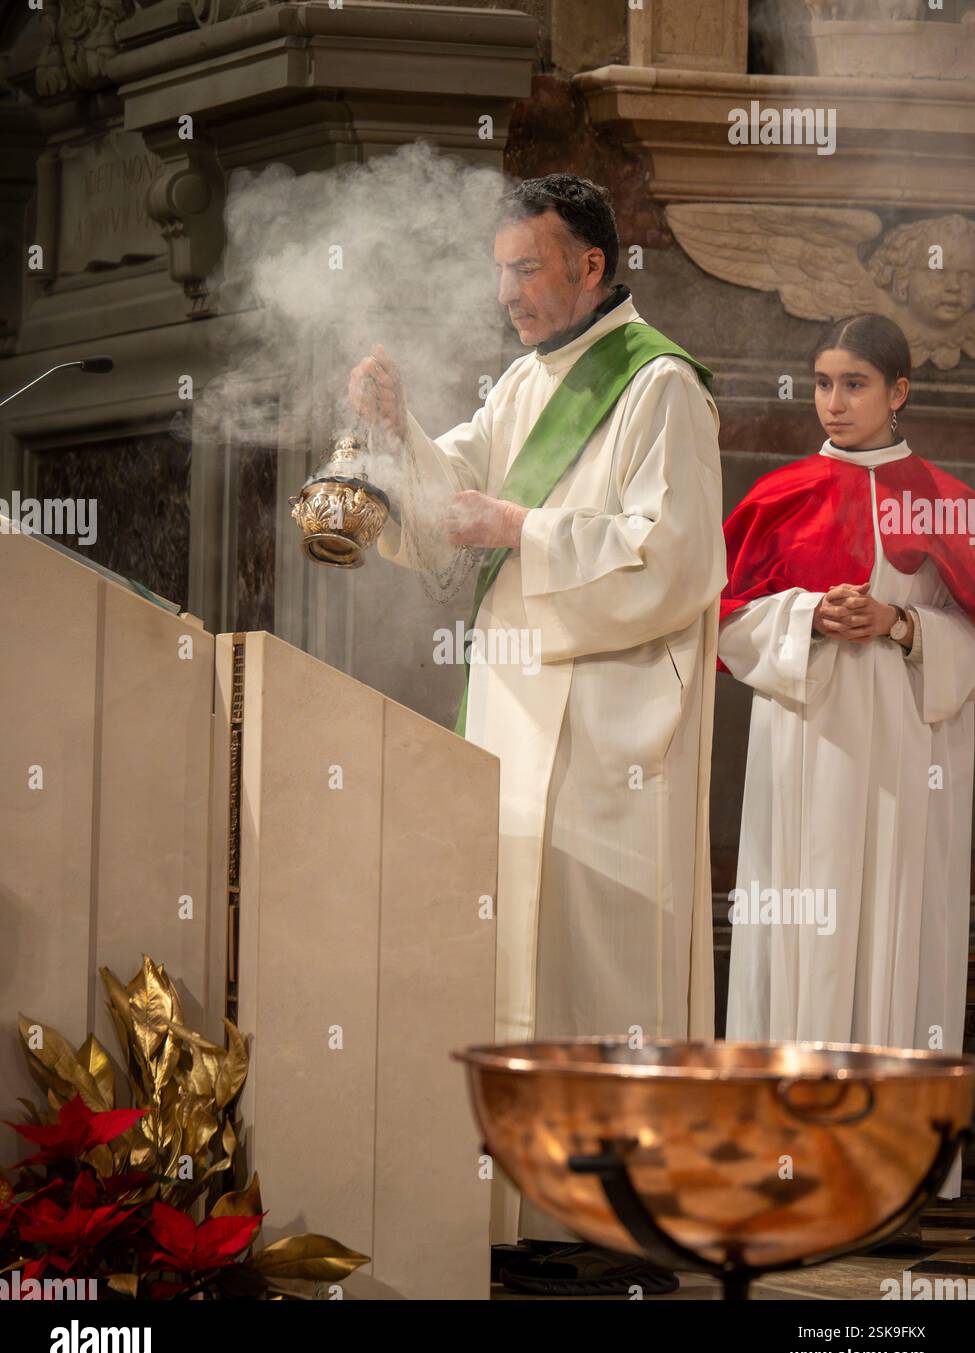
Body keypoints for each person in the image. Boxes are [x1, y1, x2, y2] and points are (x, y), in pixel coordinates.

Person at [348, 173, 725, 1294]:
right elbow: (450, 490)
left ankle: (613, 1222)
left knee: (594, 967)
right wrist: (393, 426)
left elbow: (680, 557)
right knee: (518, 958)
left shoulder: (663, 389)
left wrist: (527, 530)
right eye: (500, 268)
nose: (507, 291)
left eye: (527, 268)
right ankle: (523, 1214)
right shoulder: (526, 381)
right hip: (518, 715)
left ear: (592, 267)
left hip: (611, 734)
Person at [719, 312, 975, 1202]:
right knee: (802, 927)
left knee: (900, 920)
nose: (832, 402)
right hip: (806, 748)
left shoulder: (944, 502)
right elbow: (726, 619)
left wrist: (902, 623)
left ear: (898, 392)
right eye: (822, 382)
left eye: (854, 384)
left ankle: (891, 1173)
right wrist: (803, 619)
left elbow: (969, 638)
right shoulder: (779, 493)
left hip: (910, 752)